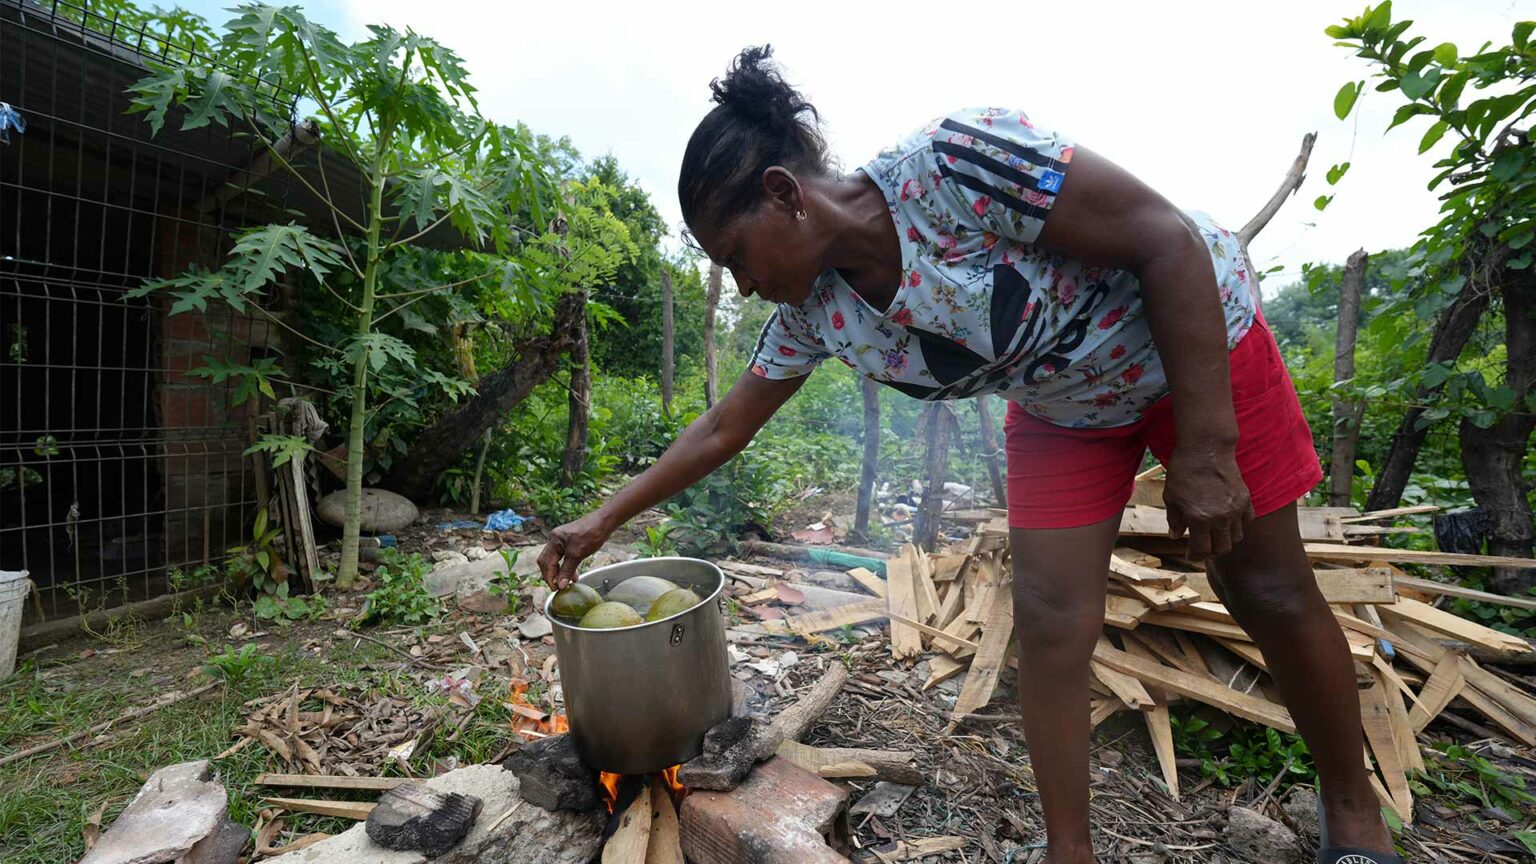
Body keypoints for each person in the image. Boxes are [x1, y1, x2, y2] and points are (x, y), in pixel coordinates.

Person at [538, 46, 1402, 864]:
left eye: (735, 255)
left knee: (1266, 586)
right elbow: (725, 426)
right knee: (1053, 620)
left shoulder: (956, 164)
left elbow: (1163, 239)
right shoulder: (816, 312)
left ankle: (1354, 814)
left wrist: (1208, 447)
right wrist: (602, 518)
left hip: (1186, 338)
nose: (743, 282)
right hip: (1069, 405)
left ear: (783, 194)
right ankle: (1070, 851)